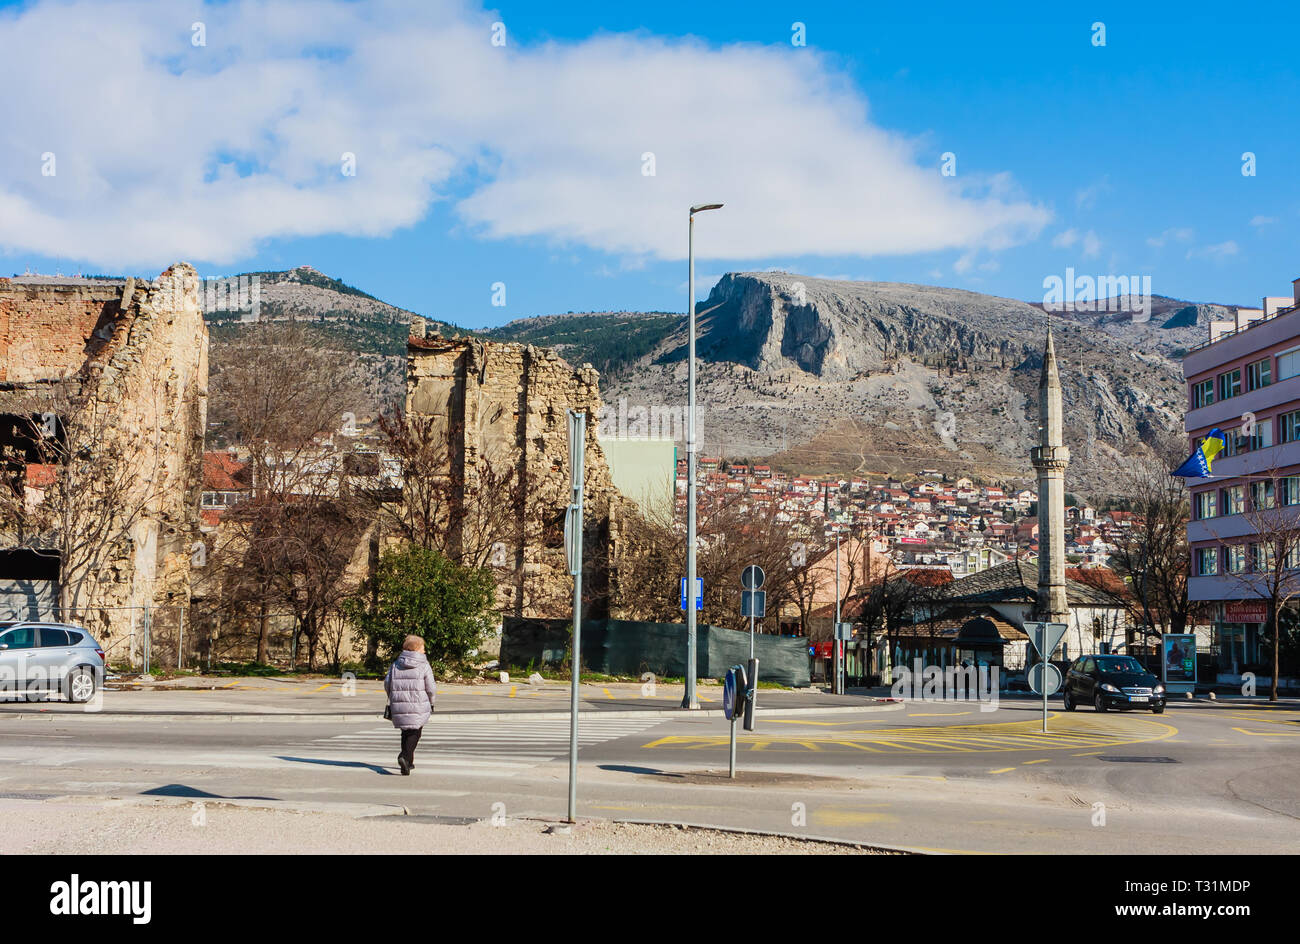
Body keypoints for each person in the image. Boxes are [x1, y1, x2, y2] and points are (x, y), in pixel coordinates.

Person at [383, 635, 437, 775]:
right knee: (415, 732)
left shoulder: (396, 664)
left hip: (398, 702)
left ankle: (408, 762)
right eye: (423, 647)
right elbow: (431, 687)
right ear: (416, 648)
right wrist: (432, 701)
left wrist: (393, 695)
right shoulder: (424, 665)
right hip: (418, 704)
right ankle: (404, 757)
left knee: (405, 731)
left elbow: (387, 683)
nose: (424, 650)